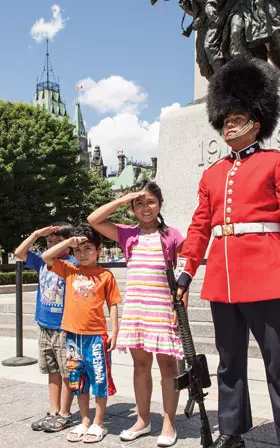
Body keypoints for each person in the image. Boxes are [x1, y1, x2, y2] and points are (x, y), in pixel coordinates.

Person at [176, 55, 280, 448]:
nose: (228, 122)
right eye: (225, 117)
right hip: (223, 280)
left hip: (267, 276)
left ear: (257, 120)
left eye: (237, 115)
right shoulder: (212, 174)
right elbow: (201, 226)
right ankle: (232, 430)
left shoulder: (278, 163)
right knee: (228, 362)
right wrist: (186, 272)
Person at [88, 181, 185, 446]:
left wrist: (181, 305)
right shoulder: (127, 234)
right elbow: (94, 220)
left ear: (160, 204)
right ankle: (143, 420)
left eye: (150, 202)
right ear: (132, 208)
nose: (145, 208)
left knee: (168, 367)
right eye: (139, 204)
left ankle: (169, 422)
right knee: (140, 366)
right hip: (137, 309)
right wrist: (123, 199)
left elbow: (184, 273)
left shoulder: (173, 235)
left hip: (163, 308)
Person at [42, 224, 121, 444]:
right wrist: (68, 242)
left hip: (96, 336)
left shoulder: (106, 275)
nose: (83, 254)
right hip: (72, 337)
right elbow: (46, 258)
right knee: (78, 381)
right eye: (79, 250)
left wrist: (115, 330)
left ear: (98, 249)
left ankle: (99, 421)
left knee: (100, 379)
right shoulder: (69, 269)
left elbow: (113, 303)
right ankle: (85, 420)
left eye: (88, 248)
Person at [15, 223, 77, 434]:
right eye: (49, 242)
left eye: (57, 242)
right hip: (45, 324)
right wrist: (35, 233)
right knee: (52, 370)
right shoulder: (41, 263)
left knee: (68, 371)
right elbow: (19, 253)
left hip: (65, 327)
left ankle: (66, 414)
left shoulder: (73, 263)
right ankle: (54, 411)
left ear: (68, 244)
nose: (51, 245)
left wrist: (68, 243)